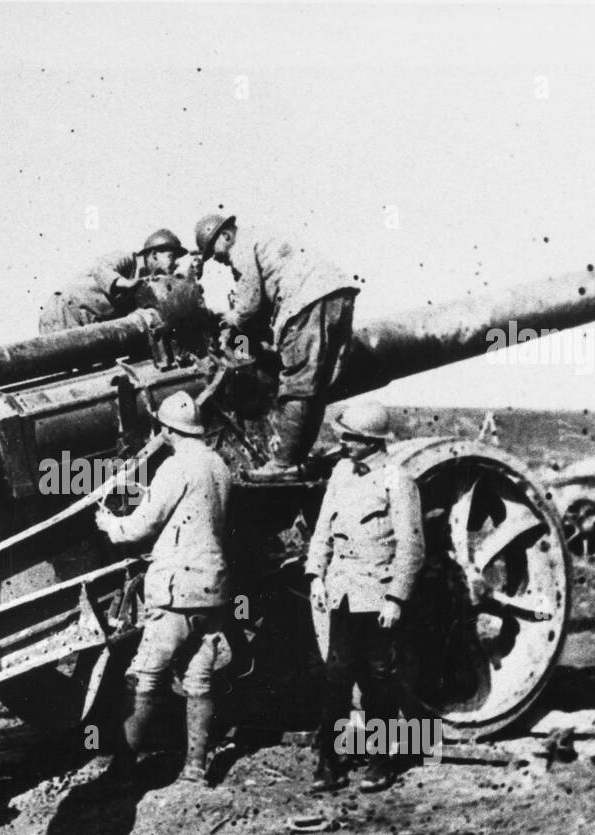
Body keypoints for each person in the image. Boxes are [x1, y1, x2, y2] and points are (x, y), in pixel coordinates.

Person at [94, 390, 232, 783]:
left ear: (168, 430)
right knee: (200, 676)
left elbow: (142, 524)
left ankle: (120, 774)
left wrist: (110, 525)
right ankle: (196, 768)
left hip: (176, 590)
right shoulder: (218, 464)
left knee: (144, 675)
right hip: (214, 586)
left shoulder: (175, 467)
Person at [305, 402, 424, 793]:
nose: (343, 442)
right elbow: (323, 529)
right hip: (342, 593)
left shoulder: (397, 479)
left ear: (371, 441)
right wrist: (316, 575)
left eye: (351, 437)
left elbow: (411, 546)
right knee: (335, 677)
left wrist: (396, 598)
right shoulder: (341, 472)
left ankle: (382, 760)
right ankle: (329, 761)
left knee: (378, 679)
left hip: (377, 595)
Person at [193, 212, 359, 482]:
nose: (218, 260)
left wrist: (230, 320)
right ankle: (295, 461)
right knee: (315, 387)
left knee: (297, 384)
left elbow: (249, 305)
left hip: (305, 302)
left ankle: (282, 465)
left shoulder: (241, 246)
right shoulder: (263, 236)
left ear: (225, 235)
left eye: (215, 251)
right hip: (336, 294)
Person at [38, 229, 191, 333]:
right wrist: (126, 283)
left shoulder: (150, 283)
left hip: (90, 323)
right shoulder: (129, 260)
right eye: (172, 257)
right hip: (63, 313)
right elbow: (100, 268)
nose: (175, 263)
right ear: (155, 255)